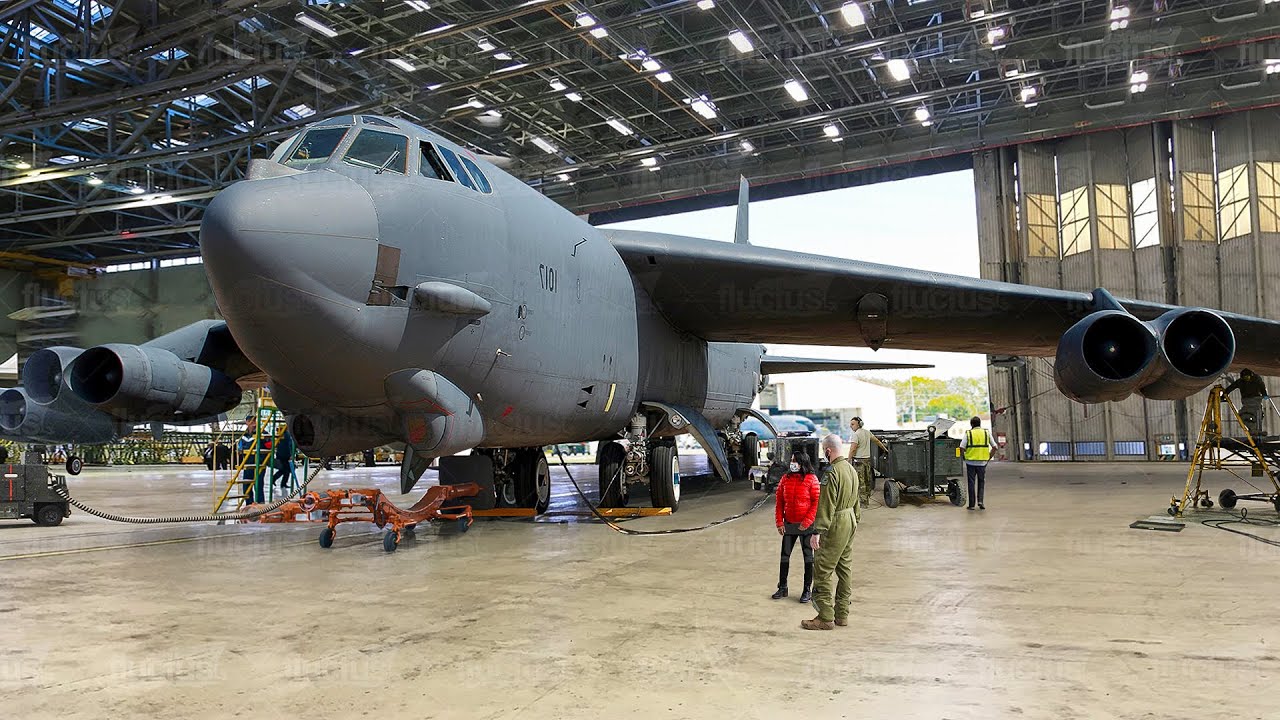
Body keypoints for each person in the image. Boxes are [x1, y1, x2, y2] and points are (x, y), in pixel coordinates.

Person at [803, 434, 858, 631]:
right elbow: (856, 501)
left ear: (827, 451)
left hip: (835, 523)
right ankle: (842, 614)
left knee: (823, 569)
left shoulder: (831, 473)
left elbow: (826, 506)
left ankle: (825, 616)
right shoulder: (851, 469)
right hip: (850, 520)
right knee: (844, 569)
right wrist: (854, 522)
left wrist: (817, 531)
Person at [771, 451, 821, 603]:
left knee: (808, 559)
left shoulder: (811, 479)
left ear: (802, 463)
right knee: (784, 556)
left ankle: (807, 590)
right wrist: (779, 522)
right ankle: (783, 587)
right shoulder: (785, 479)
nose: (792, 463)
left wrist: (807, 522)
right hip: (789, 525)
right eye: (791, 460)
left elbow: (816, 503)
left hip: (805, 526)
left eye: (795, 461)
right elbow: (779, 501)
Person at [847, 416, 886, 514]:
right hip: (867, 460)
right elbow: (877, 441)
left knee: (861, 482)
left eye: (853, 424)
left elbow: (853, 448)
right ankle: (867, 498)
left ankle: (863, 503)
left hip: (858, 461)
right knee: (868, 480)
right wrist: (886, 449)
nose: (850, 426)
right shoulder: (867, 432)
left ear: (859, 424)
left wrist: (848, 460)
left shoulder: (856, 435)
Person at [961, 416, 998, 510]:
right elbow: (995, 447)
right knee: (981, 482)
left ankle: (972, 505)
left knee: (971, 483)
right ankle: (980, 501)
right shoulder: (986, 433)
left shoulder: (968, 433)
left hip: (970, 463)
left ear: (971, 424)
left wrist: (964, 457)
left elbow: (961, 447)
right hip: (982, 463)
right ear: (980, 424)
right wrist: (989, 457)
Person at [1224, 369, 1268, 439]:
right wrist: (1224, 393)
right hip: (1246, 401)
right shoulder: (1241, 381)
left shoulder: (1256, 379)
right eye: (1244, 377)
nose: (1246, 379)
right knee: (1243, 416)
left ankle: (1255, 431)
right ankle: (1254, 430)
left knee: (1255, 416)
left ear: (1251, 375)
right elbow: (1231, 387)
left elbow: (1262, 386)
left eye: (1247, 377)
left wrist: (1264, 394)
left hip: (1255, 400)